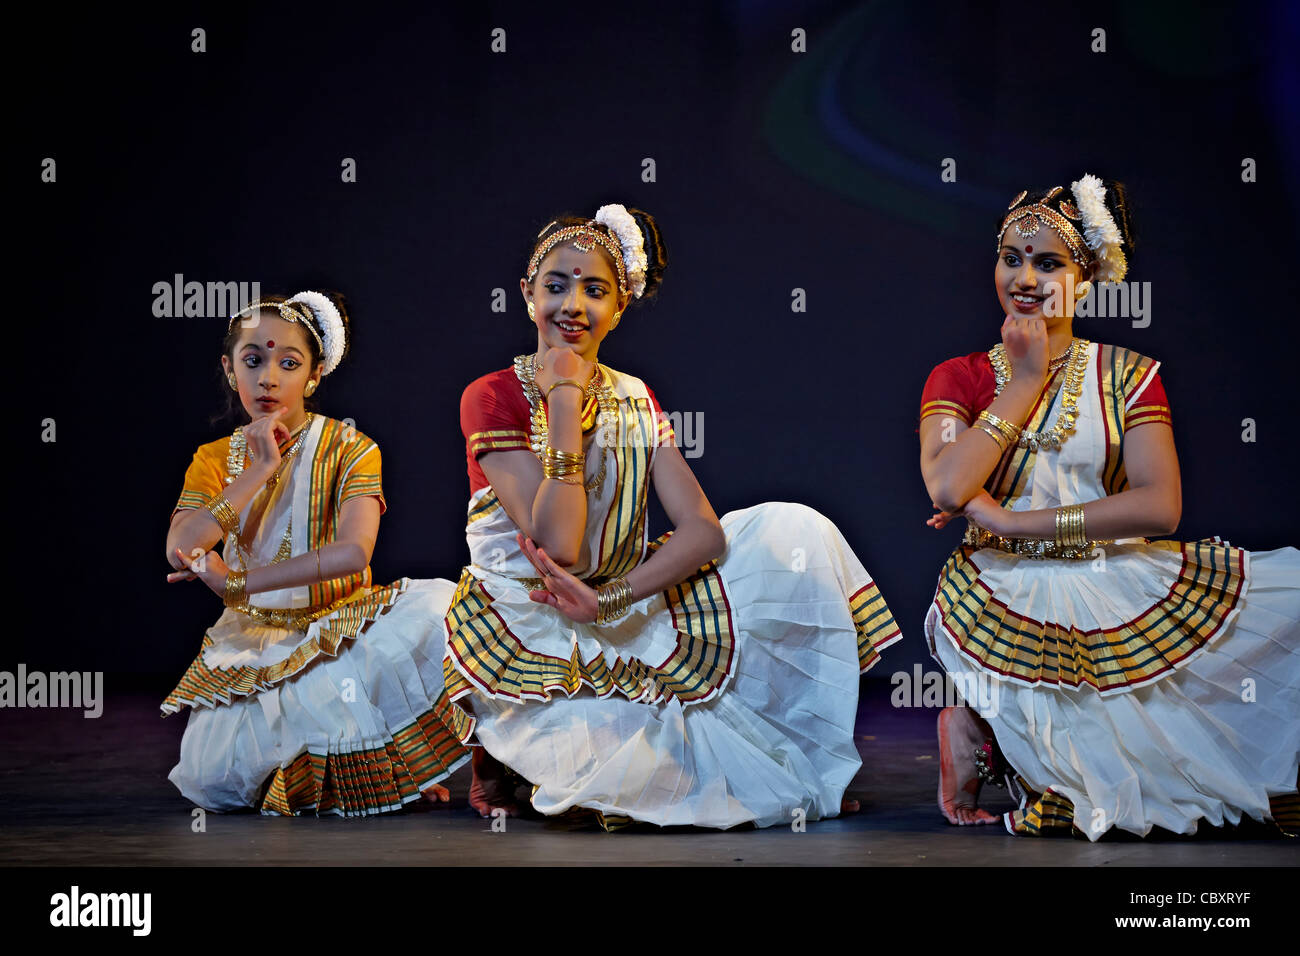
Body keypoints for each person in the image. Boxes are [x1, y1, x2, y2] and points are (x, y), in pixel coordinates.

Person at [446, 204, 901, 829]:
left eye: (595, 289)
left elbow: (703, 531)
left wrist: (613, 602)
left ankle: (794, 759)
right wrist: (562, 397)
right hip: (531, 618)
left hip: (620, 603)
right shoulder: (492, 395)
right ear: (527, 296)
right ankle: (506, 747)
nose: (572, 304)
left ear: (620, 306)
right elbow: (559, 545)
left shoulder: (635, 397)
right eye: (556, 285)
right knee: (633, 778)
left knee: (795, 528)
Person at [918, 176, 1300, 838]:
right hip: (1006, 590)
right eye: (1012, 258)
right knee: (1110, 791)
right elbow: (949, 488)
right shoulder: (963, 376)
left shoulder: (1129, 373)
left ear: (1085, 278)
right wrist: (1028, 380)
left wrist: (1015, 521)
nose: (1025, 278)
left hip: (1121, 577)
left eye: (1048, 263)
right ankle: (984, 727)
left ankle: (984, 727)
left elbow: (1160, 506)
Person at [162, 292, 471, 817]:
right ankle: (354, 768)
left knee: (444, 609)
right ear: (229, 367)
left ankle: (381, 765)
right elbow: (180, 548)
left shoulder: (352, 447)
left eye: (288, 363)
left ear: (315, 373)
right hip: (253, 641)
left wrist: (233, 582)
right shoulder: (216, 458)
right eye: (253, 361)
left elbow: (353, 552)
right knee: (210, 784)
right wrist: (260, 468)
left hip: (339, 632)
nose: (267, 379)